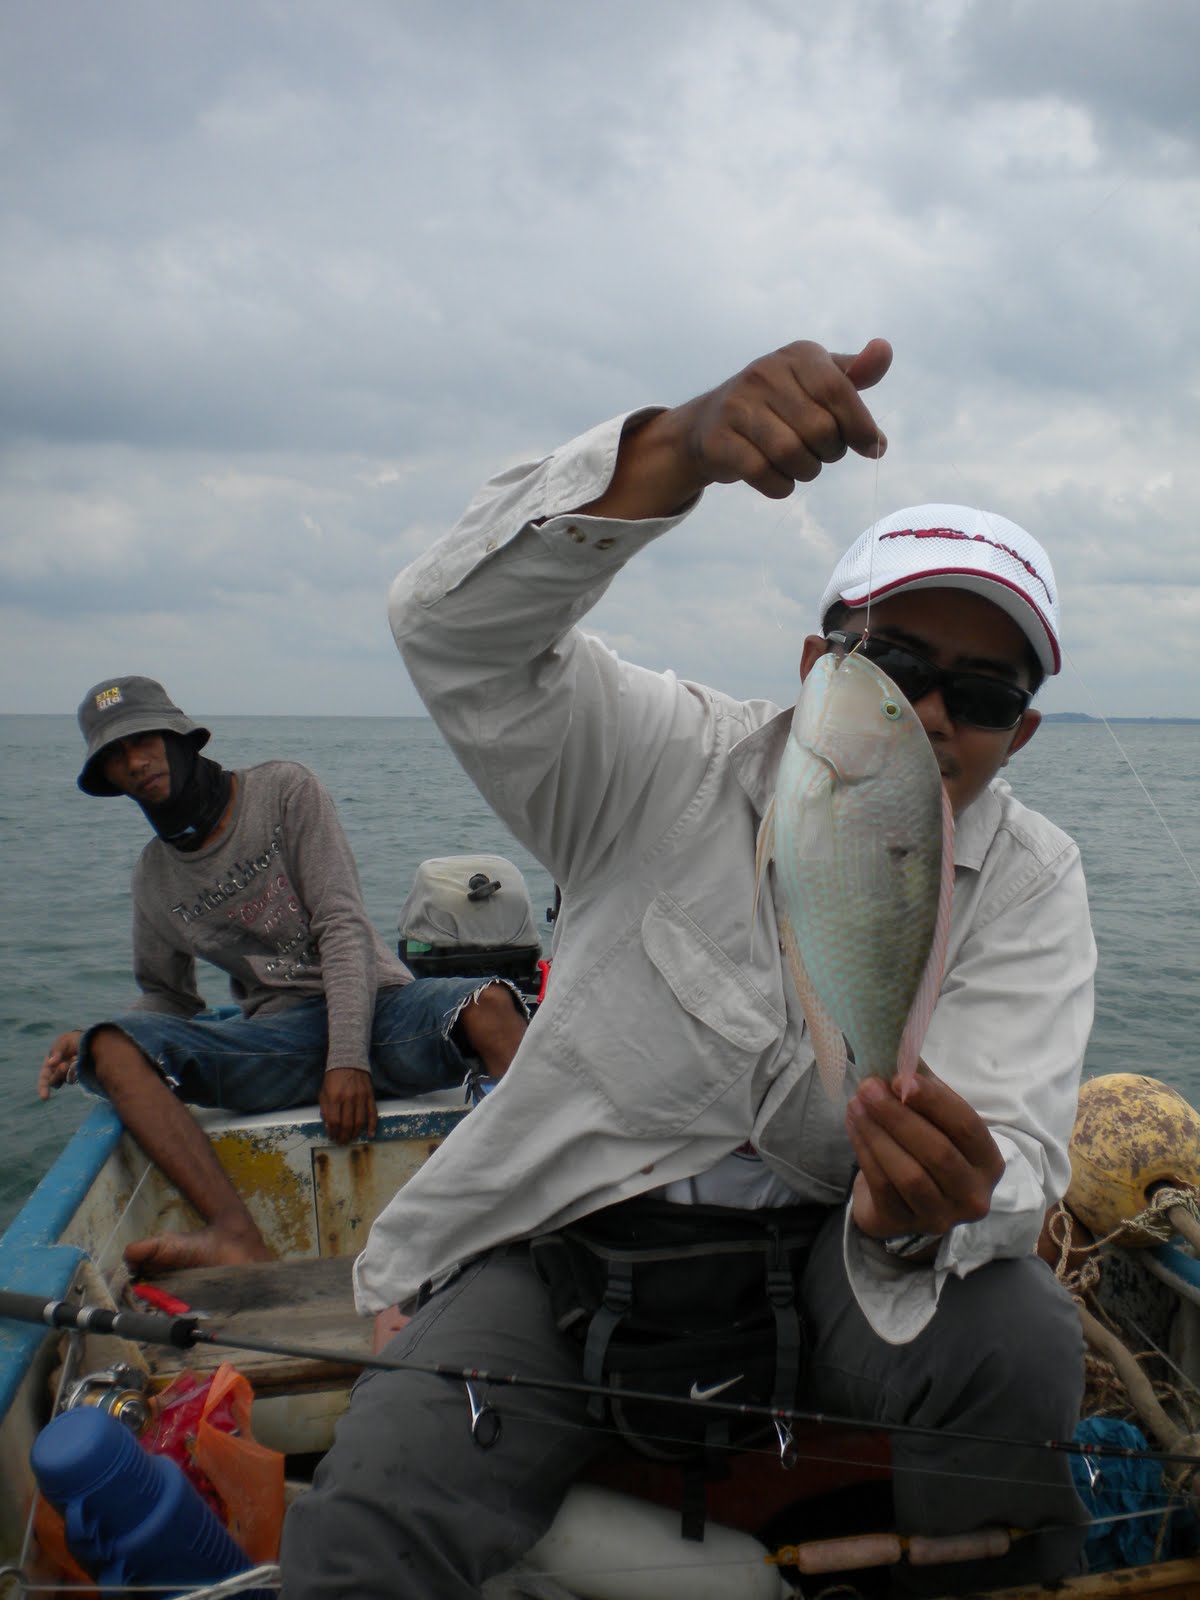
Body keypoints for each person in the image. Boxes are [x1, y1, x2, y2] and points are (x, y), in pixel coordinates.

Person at [280, 337, 1097, 1598]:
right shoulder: (659, 758)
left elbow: (1018, 1160)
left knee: (1021, 1329)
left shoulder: (1033, 879)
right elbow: (452, 635)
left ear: (1022, 730)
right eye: (900, 669)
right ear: (822, 664)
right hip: (564, 1255)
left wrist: (921, 1203)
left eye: (983, 694)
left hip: (837, 1269)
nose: (934, 715)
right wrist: (678, 448)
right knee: (366, 1527)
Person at [38, 676, 528, 1275]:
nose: (134, 762)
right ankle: (233, 1233)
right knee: (110, 1048)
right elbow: (167, 997)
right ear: (108, 778)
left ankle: (546, 1187)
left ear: (179, 737)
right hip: (278, 1040)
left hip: (379, 1010)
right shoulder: (153, 878)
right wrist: (98, 1033)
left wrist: (346, 1059)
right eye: (114, 755)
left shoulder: (284, 792)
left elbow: (343, 926)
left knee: (490, 1004)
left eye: (144, 740)